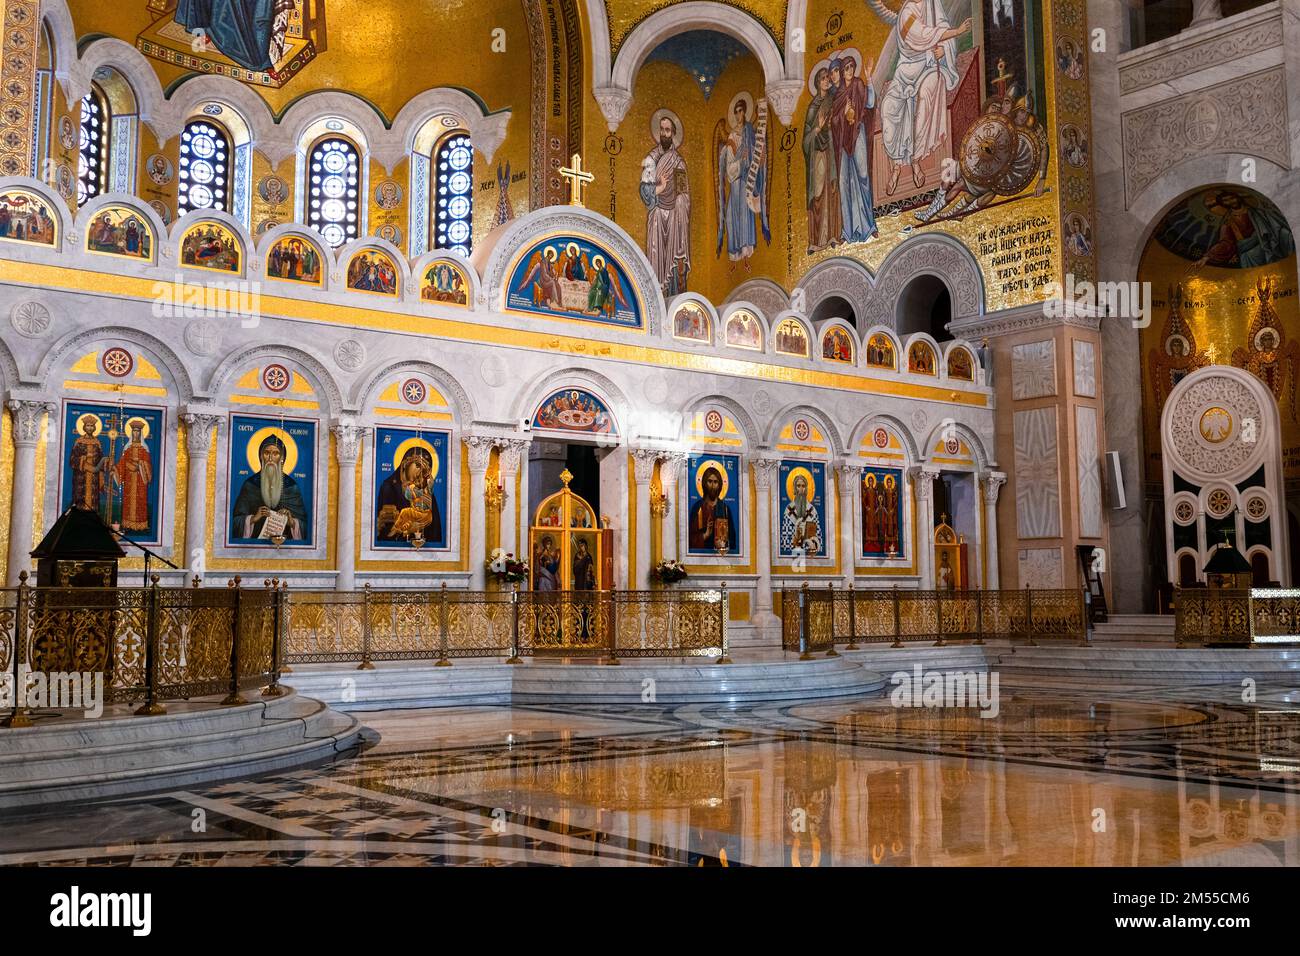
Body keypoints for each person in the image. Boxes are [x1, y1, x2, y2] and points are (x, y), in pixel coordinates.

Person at [868, 0, 973, 194]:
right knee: (888, 107)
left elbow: (941, 30)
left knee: (925, 95)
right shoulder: (906, 14)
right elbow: (924, 35)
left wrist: (944, 49)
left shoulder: (932, 4)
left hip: (929, 66)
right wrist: (957, 32)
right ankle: (896, 166)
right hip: (906, 70)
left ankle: (916, 160)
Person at [641, 113, 692, 296]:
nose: (664, 133)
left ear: (673, 133)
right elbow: (645, 190)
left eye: (667, 130)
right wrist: (659, 188)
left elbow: (683, 193)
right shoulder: (651, 159)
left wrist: (679, 203)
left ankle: (674, 292)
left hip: (674, 217)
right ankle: (655, 292)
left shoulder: (678, 162)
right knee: (655, 220)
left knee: (679, 204)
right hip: (657, 211)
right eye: (661, 129)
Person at [832, 53, 879, 242]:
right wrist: (842, 115)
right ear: (842, 72)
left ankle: (869, 225)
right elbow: (834, 121)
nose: (849, 71)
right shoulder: (839, 94)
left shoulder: (859, 85)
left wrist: (868, 77)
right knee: (845, 183)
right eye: (846, 68)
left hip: (857, 135)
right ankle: (848, 230)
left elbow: (870, 103)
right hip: (843, 142)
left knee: (863, 177)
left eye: (851, 67)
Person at [231, 433, 308, 541]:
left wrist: (291, 522)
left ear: (282, 458)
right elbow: (235, 522)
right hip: (254, 546)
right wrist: (253, 518)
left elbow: (305, 526)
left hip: (285, 548)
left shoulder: (291, 486)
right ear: (261, 456)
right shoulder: (250, 484)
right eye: (267, 453)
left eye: (276, 453)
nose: (271, 458)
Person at [803, 67, 843, 254]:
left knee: (831, 190)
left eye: (828, 78)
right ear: (818, 83)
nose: (827, 81)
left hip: (830, 152)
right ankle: (817, 240)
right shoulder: (812, 108)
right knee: (818, 194)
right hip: (817, 154)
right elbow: (805, 141)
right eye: (823, 79)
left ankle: (832, 235)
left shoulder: (832, 100)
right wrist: (818, 129)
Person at [376, 446, 440, 544]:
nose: (420, 473)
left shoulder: (425, 490)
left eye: (425, 470)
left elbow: (435, 529)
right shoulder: (389, 487)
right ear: (405, 463)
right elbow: (385, 528)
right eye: (418, 466)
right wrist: (409, 529)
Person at [115, 419, 153, 533]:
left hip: (140, 480)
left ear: (141, 433)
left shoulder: (144, 449)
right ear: (131, 433)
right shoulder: (127, 448)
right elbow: (122, 463)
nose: (135, 433)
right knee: (128, 501)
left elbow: (148, 466)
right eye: (134, 431)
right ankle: (127, 524)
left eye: (138, 431)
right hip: (129, 480)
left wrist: (140, 465)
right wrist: (115, 468)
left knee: (140, 500)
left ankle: (140, 525)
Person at [689, 466, 737, 553]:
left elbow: (732, 539)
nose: (712, 486)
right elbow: (690, 538)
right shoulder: (698, 508)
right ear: (704, 483)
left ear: (719, 485)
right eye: (709, 481)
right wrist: (705, 535)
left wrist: (724, 544)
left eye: (715, 482)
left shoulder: (724, 508)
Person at [69, 415, 108, 515]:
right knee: (80, 504)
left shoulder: (97, 443)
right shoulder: (78, 442)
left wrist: (106, 462)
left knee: (92, 505)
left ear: (94, 428)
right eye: (88, 425)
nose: (89, 428)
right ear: (84, 427)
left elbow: (101, 460)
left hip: (94, 478)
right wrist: (84, 458)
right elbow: (72, 460)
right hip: (81, 477)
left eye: (91, 426)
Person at [782, 473, 823, 556]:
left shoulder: (812, 510)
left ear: (806, 488)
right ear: (794, 488)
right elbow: (785, 539)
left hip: (809, 556)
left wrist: (812, 542)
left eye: (803, 486)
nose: (801, 489)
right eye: (798, 486)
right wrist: (796, 532)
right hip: (794, 555)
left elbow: (818, 536)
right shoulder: (789, 510)